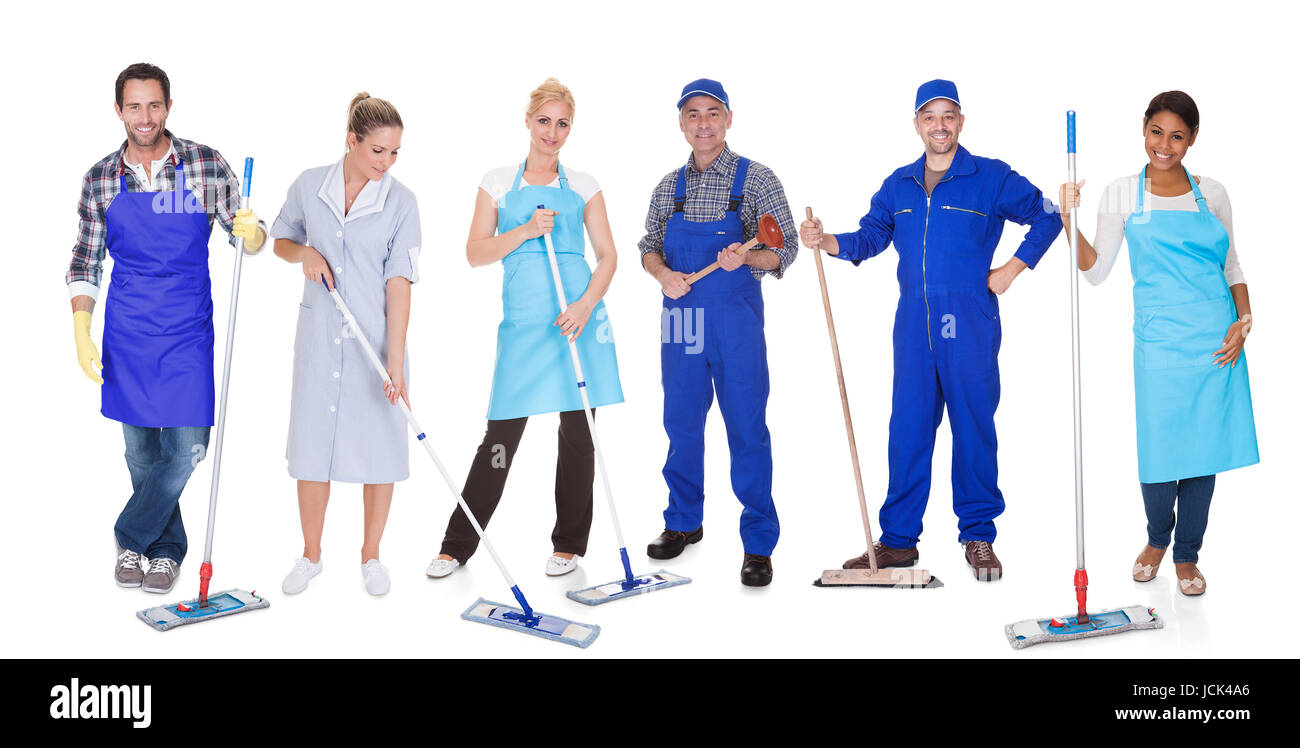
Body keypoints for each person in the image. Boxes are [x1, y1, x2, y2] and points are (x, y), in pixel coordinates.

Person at [801, 79, 1061, 581]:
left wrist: (1012, 269)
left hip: (968, 320)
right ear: (917, 124)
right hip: (914, 322)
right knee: (909, 429)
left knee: (972, 426)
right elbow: (871, 236)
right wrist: (827, 240)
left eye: (948, 116)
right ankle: (898, 541)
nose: (938, 126)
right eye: (929, 117)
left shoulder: (991, 177)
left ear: (961, 122)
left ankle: (979, 535)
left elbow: (1048, 215)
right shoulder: (897, 185)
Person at [67, 63, 266, 595]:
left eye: (154, 105)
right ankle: (164, 553)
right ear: (119, 111)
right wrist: (82, 329)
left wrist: (253, 232)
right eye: (134, 106)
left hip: (186, 332)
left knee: (187, 449)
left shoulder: (204, 164)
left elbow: (246, 236)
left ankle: (131, 532)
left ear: (168, 107)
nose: (145, 117)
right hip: (127, 334)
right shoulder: (101, 178)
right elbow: (86, 261)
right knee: (141, 453)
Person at [1059, 91, 1257, 596]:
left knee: (1202, 455)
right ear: (1142, 128)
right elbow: (1096, 270)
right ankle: (1156, 539)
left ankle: (1188, 556)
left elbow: (1230, 265)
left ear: (1192, 139)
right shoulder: (1123, 192)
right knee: (1159, 450)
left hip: (1215, 340)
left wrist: (1245, 317)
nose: (1164, 145)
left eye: (1177, 136)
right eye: (1156, 132)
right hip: (1159, 343)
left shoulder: (1211, 192)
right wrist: (1067, 219)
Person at [425, 78, 622, 580]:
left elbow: (608, 255)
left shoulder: (583, 185)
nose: (552, 133)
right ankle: (456, 544)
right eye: (544, 121)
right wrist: (526, 230)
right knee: (500, 439)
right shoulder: (496, 181)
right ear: (528, 121)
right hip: (524, 326)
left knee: (578, 437)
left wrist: (584, 305)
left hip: (576, 320)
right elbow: (475, 253)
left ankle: (569, 543)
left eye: (562, 124)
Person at [640, 78, 797, 587]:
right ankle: (683, 522)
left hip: (735, 323)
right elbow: (649, 246)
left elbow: (784, 249)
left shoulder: (757, 180)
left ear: (729, 119)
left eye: (713, 113)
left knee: (747, 428)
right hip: (682, 318)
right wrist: (663, 274)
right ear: (681, 123)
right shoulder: (669, 186)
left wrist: (746, 256)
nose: (703, 123)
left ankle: (758, 542)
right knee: (681, 424)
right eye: (693, 115)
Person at [272, 93, 420, 597]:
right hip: (319, 338)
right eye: (378, 150)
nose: (386, 162)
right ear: (351, 141)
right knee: (313, 445)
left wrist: (394, 363)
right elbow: (280, 240)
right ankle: (311, 555)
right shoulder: (310, 185)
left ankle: (371, 556)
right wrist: (305, 254)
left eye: (395, 152)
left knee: (380, 445)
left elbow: (399, 283)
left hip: (375, 343)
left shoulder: (402, 202)